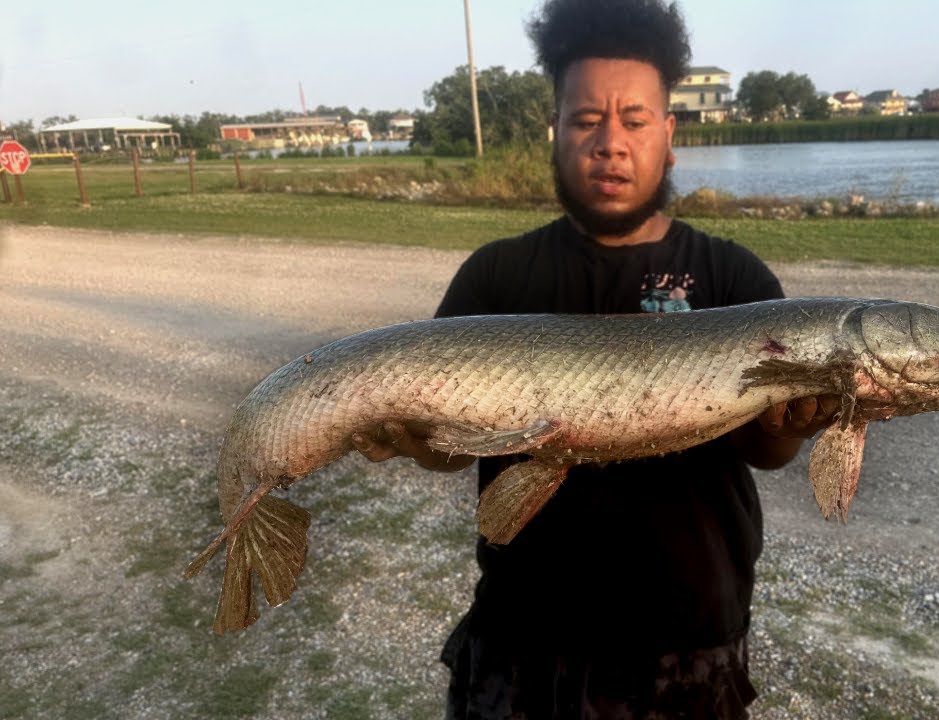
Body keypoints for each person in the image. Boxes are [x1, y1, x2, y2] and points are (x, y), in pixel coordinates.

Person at [351, 1, 839, 716]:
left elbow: (767, 452)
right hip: (520, 641)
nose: (610, 143)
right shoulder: (495, 277)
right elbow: (450, 448)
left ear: (669, 136)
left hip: (690, 643)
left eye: (634, 121)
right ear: (555, 133)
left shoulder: (737, 282)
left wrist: (797, 421)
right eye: (586, 120)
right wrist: (413, 441)